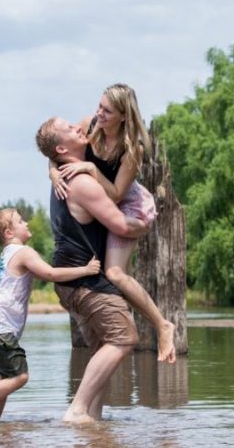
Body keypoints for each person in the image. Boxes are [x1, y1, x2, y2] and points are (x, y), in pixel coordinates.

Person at [52, 84, 177, 364]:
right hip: (104, 205)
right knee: (104, 271)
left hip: (128, 206)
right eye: (99, 106)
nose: (99, 113)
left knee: (115, 273)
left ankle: (163, 325)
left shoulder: (133, 148)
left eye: (107, 111)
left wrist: (91, 169)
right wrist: (53, 175)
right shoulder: (90, 124)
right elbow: (54, 152)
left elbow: (118, 193)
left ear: (124, 115)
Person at [35, 115, 147, 423]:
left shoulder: (68, 170)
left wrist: (52, 168)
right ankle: (78, 410)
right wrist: (149, 223)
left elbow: (54, 150)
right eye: (70, 129)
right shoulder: (82, 182)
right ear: (61, 147)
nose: (78, 127)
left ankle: (93, 422)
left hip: (72, 283)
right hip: (87, 282)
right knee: (123, 338)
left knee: (102, 348)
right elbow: (121, 225)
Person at [0, 207, 100, 425]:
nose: (26, 223)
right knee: (19, 377)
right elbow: (50, 273)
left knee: (4, 381)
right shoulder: (23, 252)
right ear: (9, 233)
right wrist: (86, 270)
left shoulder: (8, 253)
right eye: (20, 221)